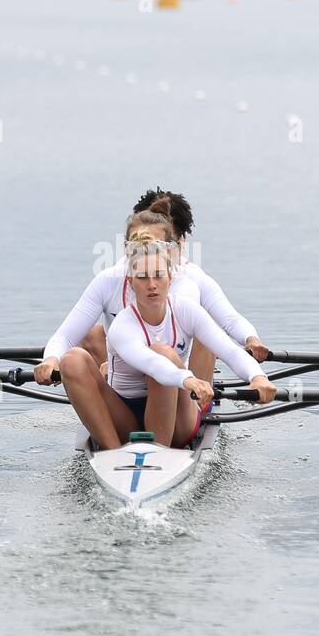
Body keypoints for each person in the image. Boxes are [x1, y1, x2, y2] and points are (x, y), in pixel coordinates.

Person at [34, 190, 268, 386]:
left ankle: (198, 403)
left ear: (175, 244)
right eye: (140, 244)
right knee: (90, 333)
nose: (146, 251)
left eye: (155, 244)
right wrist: (51, 360)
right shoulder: (111, 278)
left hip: (177, 378)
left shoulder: (189, 280)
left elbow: (229, 319)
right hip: (127, 372)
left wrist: (251, 340)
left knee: (203, 331)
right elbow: (65, 335)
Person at [61, 239, 276, 451]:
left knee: (165, 353)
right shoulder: (122, 325)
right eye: (143, 278)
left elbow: (228, 350)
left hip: (178, 420)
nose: (152, 284)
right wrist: (188, 379)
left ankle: (159, 454)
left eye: (158, 276)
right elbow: (152, 363)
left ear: (170, 278)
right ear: (130, 282)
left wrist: (257, 377)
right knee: (71, 360)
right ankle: (112, 452)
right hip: (125, 415)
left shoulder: (187, 310)